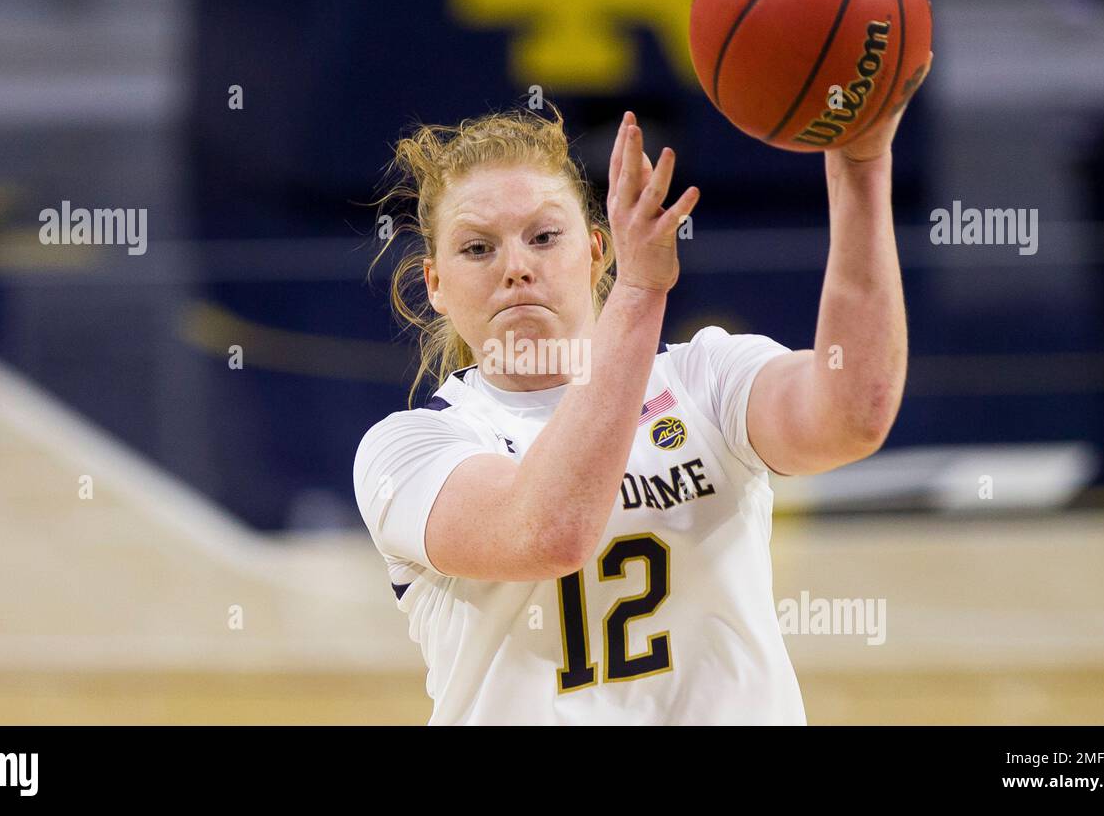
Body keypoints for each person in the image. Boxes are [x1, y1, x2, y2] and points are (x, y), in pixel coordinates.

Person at [353, 74, 926, 723]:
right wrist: (639, 292)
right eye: (477, 247)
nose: (515, 265)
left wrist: (861, 167)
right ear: (435, 283)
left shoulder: (706, 378)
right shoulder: (407, 448)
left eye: (544, 237)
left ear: (597, 252)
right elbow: (548, 532)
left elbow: (852, 414)